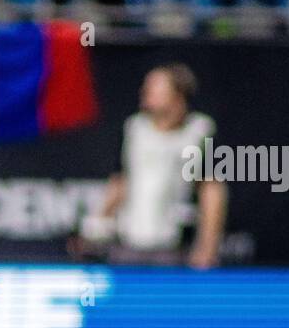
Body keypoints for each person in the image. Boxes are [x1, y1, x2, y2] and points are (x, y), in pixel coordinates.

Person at [79, 64, 227, 268]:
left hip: (175, 247)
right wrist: (95, 227)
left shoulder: (200, 131)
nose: (145, 92)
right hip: (128, 243)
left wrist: (207, 246)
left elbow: (211, 191)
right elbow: (121, 181)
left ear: (178, 95)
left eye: (155, 87)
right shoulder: (134, 128)